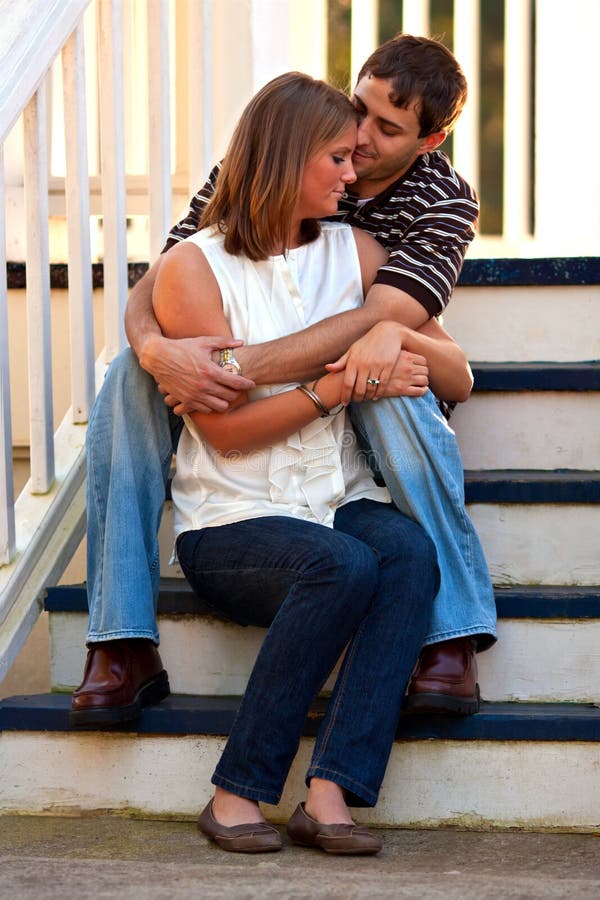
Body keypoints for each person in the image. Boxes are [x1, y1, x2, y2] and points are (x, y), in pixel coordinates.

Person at [70, 34, 496, 728]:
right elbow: (165, 274)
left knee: (380, 372)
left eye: (386, 128)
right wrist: (157, 351)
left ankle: (451, 630)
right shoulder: (285, 149)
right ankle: (119, 640)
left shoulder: (442, 200)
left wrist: (237, 367)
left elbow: (383, 320)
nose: (357, 138)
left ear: (431, 140)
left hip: (373, 389)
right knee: (127, 375)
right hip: (275, 397)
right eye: (359, 109)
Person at [152, 70, 440, 854]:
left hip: (329, 501)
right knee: (342, 565)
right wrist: (334, 387)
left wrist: (394, 338)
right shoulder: (194, 270)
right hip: (233, 525)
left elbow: (446, 360)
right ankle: (235, 792)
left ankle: (330, 790)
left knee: (409, 554)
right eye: (339, 159)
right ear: (287, 156)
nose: (354, 177)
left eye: (356, 159)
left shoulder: (355, 252)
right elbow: (227, 434)